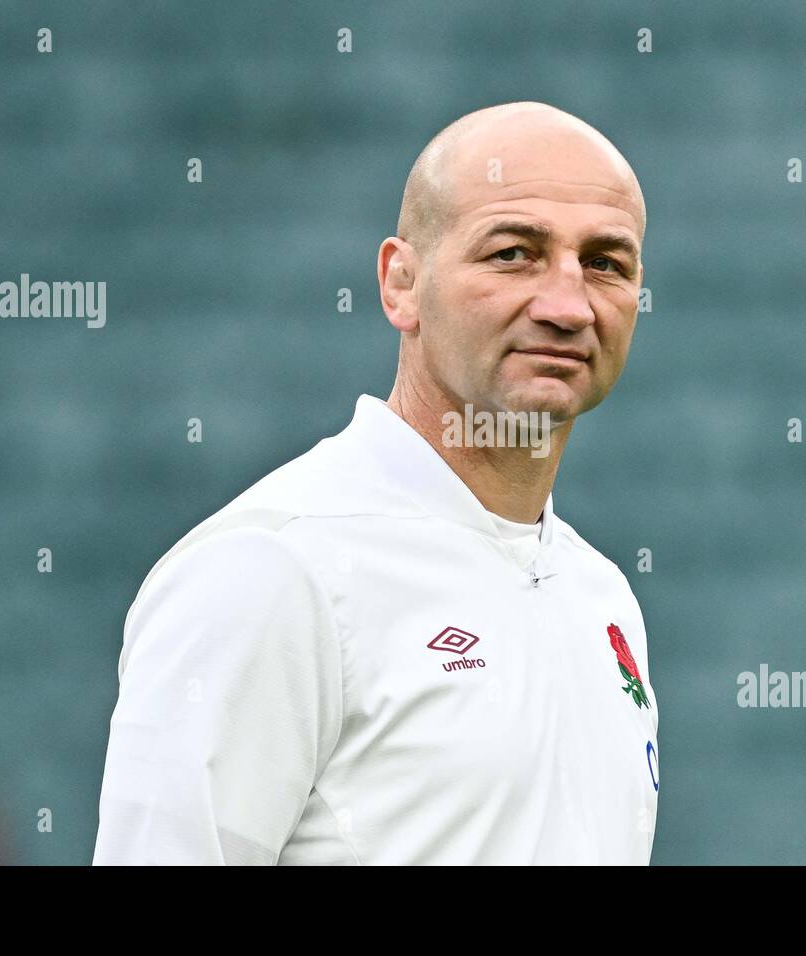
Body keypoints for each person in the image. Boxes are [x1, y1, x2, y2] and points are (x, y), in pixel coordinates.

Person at [92, 100, 658, 865]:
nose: (566, 304)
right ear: (401, 284)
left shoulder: (599, 595)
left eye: (604, 263)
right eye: (513, 253)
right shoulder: (273, 568)